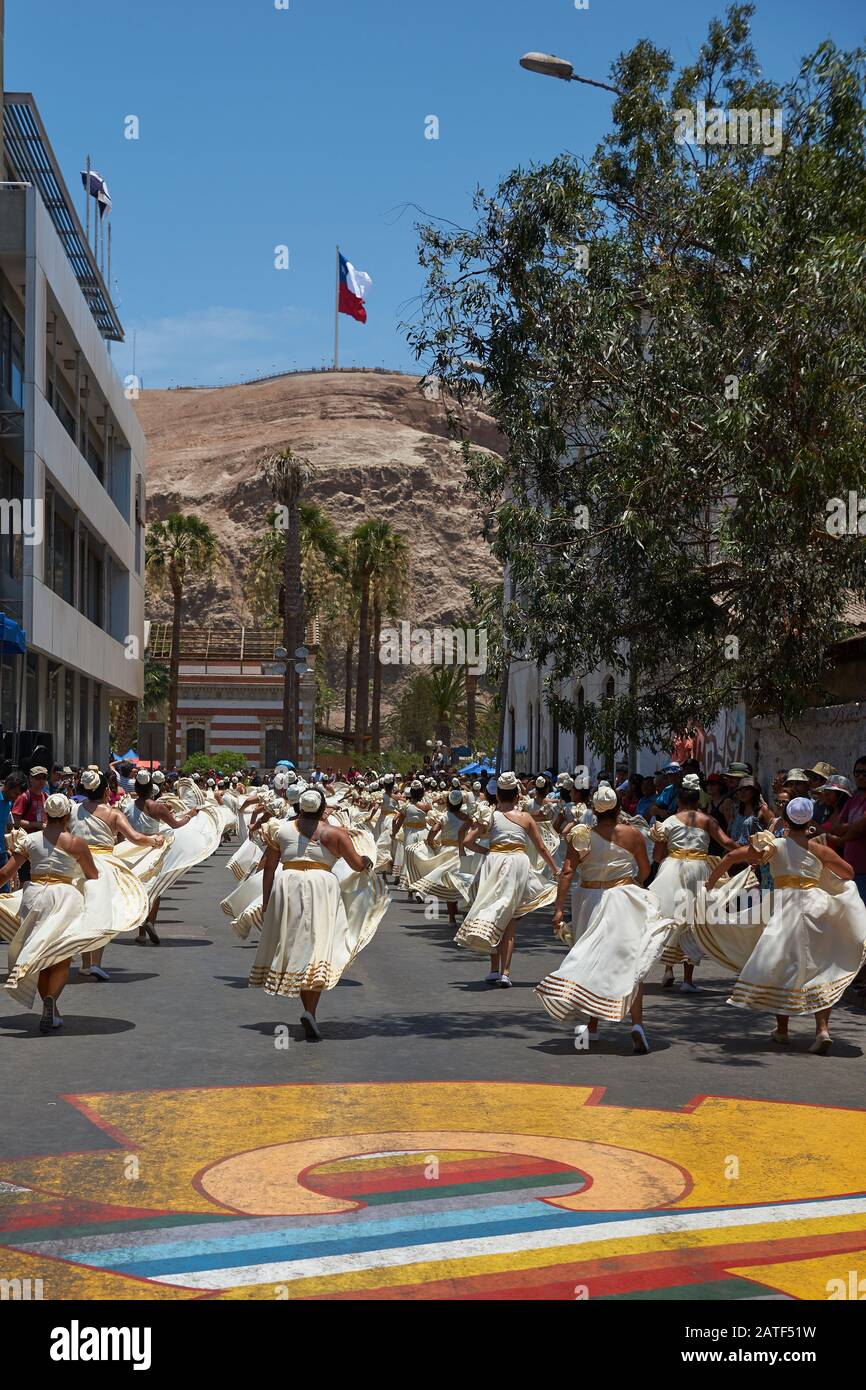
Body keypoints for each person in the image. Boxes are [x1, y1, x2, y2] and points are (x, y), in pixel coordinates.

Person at [705, 797, 866, 1054]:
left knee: (783, 965)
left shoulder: (775, 845)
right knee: (820, 967)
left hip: (785, 906)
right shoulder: (819, 848)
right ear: (810, 821)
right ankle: (822, 1030)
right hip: (817, 906)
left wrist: (710, 883)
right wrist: (822, 874)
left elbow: (734, 856)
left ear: (786, 820)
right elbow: (847, 872)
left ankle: (782, 1030)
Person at [536, 785, 673, 1054]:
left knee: (591, 958)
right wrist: (629, 883)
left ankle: (593, 1027)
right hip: (623, 898)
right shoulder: (633, 834)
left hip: (589, 899)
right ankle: (636, 1024)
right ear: (619, 808)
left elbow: (566, 872)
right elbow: (645, 871)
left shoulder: (581, 835)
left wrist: (558, 910)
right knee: (631, 961)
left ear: (593, 810)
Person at [249, 787, 376, 1039]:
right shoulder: (335, 833)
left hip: (287, 883)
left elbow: (270, 868)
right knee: (317, 944)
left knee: (297, 943)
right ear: (321, 808)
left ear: (299, 807)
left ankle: (308, 1009)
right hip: (321, 886)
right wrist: (367, 861)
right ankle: (311, 1010)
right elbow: (356, 865)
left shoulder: (280, 830)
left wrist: (266, 901)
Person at [0, 793, 120, 1032]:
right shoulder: (76, 843)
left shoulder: (30, 841)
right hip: (65, 897)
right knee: (61, 955)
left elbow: (6, 873)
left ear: (45, 814)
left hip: (35, 898)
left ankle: (51, 1009)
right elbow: (93, 875)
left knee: (42, 955)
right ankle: (51, 1002)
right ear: (67, 816)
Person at [454, 770, 559, 988]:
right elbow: (541, 847)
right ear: (517, 796)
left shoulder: (490, 816)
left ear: (499, 796)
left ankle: (494, 970)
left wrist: (487, 852)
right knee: (509, 919)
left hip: (495, 862)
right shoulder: (526, 817)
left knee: (494, 911)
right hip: (518, 864)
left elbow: (468, 842)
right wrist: (554, 868)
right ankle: (505, 972)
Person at [651, 773, 738, 991]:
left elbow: (657, 856)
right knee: (693, 920)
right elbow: (727, 842)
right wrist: (748, 851)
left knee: (670, 916)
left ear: (678, 801)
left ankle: (668, 969)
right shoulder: (707, 820)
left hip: (673, 868)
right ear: (698, 800)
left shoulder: (668, 822)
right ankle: (688, 980)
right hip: (699, 869)